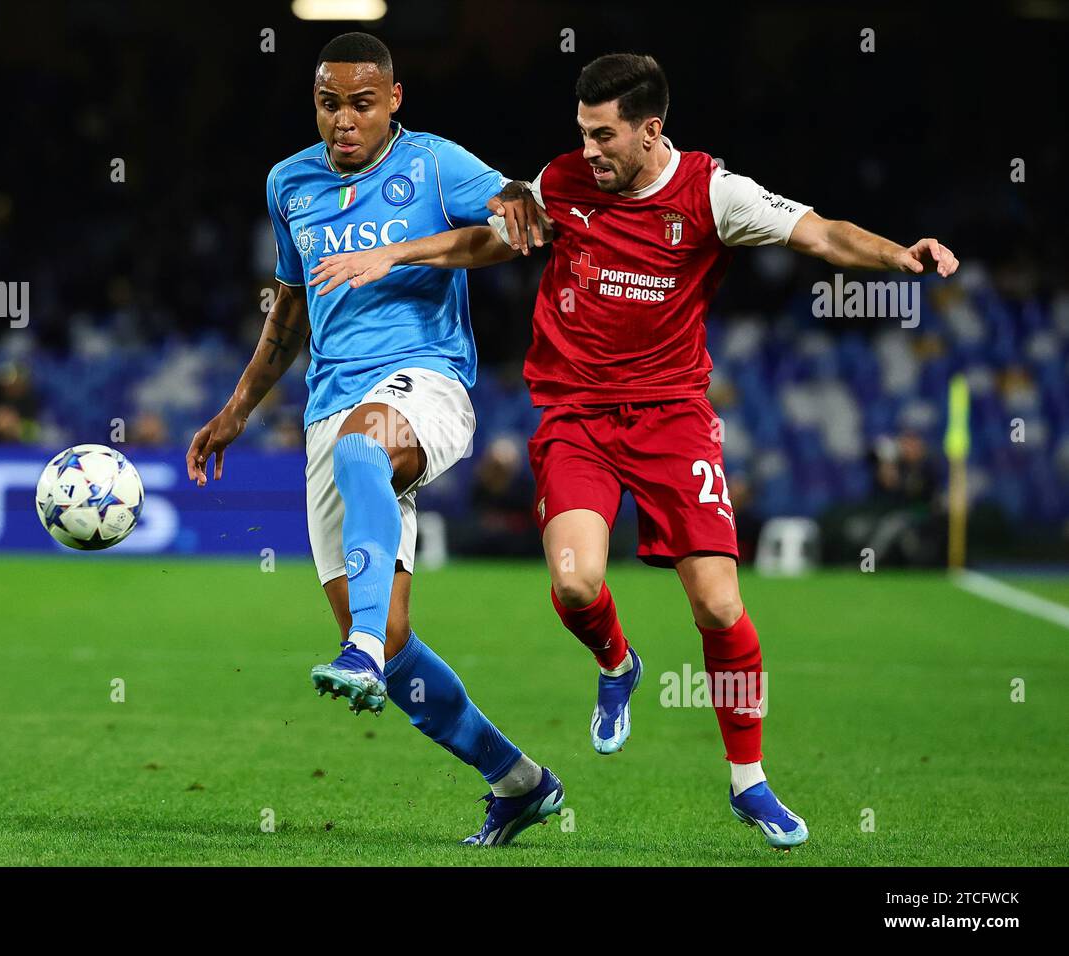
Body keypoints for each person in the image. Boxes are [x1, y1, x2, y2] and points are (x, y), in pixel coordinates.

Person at [309, 52, 959, 849]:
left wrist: (897, 255)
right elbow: (489, 242)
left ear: (652, 131)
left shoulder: (713, 193)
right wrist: (398, 253)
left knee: (719, 605)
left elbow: (820, 233)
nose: (590, 152)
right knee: (578, 584)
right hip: (575, 416)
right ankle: (618, 667)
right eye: (582, 134)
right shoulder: (561, 183)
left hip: (672, 419)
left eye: (605, 137)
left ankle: (748, 781)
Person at [185, 32, 562, 846]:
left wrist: (486, 210)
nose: (343, 120)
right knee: (396, 651)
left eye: (361, 103)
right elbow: (288, 307)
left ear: (394, 99)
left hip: (426, 382)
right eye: (328, 104)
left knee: (366, 456)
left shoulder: (432, 165)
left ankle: (354, 647)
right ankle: (518, 780)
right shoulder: (290, 182)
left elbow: (510, 226)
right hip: (328, 407)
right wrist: (240, 406)